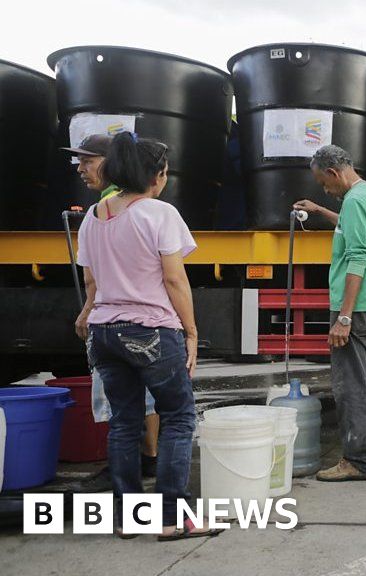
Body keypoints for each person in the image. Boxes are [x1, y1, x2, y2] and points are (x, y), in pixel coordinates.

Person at [75, 131, 217, 540]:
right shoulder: (158, 213)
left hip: (103, 330)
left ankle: (127, 517)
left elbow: (91, 280)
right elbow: (174, 279)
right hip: (150, 330)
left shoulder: (93, 215)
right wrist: (190, 331)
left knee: (124, 422)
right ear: (157, 175)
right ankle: (174, 518)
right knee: (177, 417)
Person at [64, 134, 160, 490]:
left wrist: (88, 310)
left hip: (112, 317)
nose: (81, 169)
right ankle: (149, 459)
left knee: (118, 404)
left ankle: (126, 470)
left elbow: (93, 275)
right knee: (147, 394)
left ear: (110, 160)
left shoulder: (105, 206)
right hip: (146, 321)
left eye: (87, 161)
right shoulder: (143, 202)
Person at [293, 145, 366, 482]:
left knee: (350, 388)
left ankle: (357, 460)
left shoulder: (355, 201)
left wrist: (344, 317)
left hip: (356, 308)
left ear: (334, 173)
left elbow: (357, 257)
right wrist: (321, 210)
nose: (325, 189)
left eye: (324, 184)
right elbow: (354, 227)